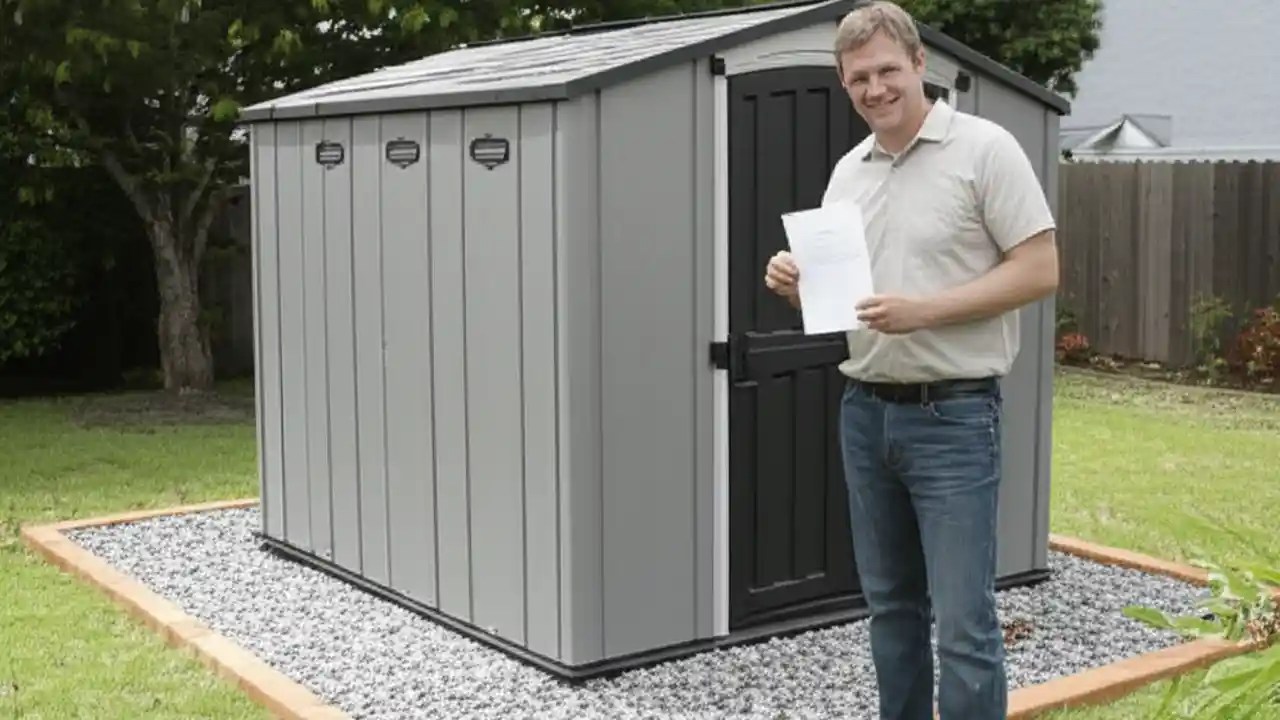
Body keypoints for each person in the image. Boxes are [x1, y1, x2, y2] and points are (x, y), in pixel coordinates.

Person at [763, 2, 1059, 719]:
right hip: (865, 415)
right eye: (858, 76)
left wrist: (923, 311)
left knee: (963, 624)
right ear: (844, 82)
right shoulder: (848, 174)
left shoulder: (986, 150)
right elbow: (840, 306)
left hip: (955, 416)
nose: (875, 88)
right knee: (891, 610)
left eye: (888, 69)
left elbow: (1040, 269)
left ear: (920, 64)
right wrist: (796, 289)